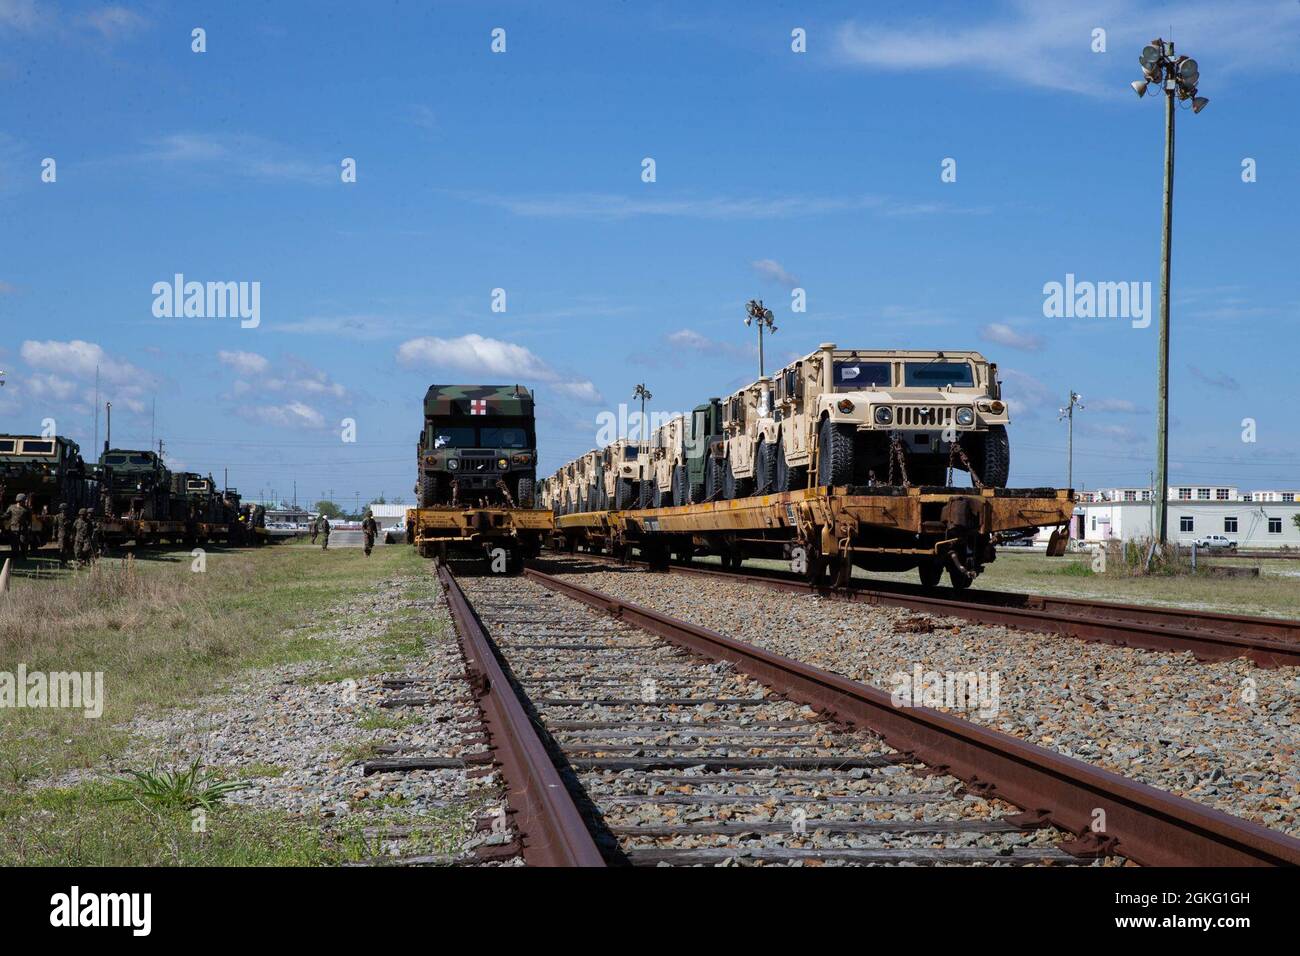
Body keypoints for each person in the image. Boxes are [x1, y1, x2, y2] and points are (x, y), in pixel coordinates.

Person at [4, 492, 32, 559]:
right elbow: (7, 516)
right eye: (24, 500)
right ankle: (15, 556)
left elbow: (29, 520)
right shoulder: (11, 507)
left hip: (23, 529)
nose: (24, 501)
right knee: (14, 544)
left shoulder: (27, 509)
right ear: (20, 500)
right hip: (14, 529)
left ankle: (24, 556)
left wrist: (29, 528)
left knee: (23, 543)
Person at [52, 503, 73, 568]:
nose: (64, 511)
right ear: (60, 510)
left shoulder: (69, 517)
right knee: (61, 548)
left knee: (67, 549)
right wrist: (53, 535)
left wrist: (72, 535)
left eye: (65, 509)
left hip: (68, 534)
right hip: (60, 535)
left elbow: (72, 527)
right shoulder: (57, 517)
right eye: (63, 509)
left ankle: (65, 561)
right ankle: (61, 561)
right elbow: (54, 527)